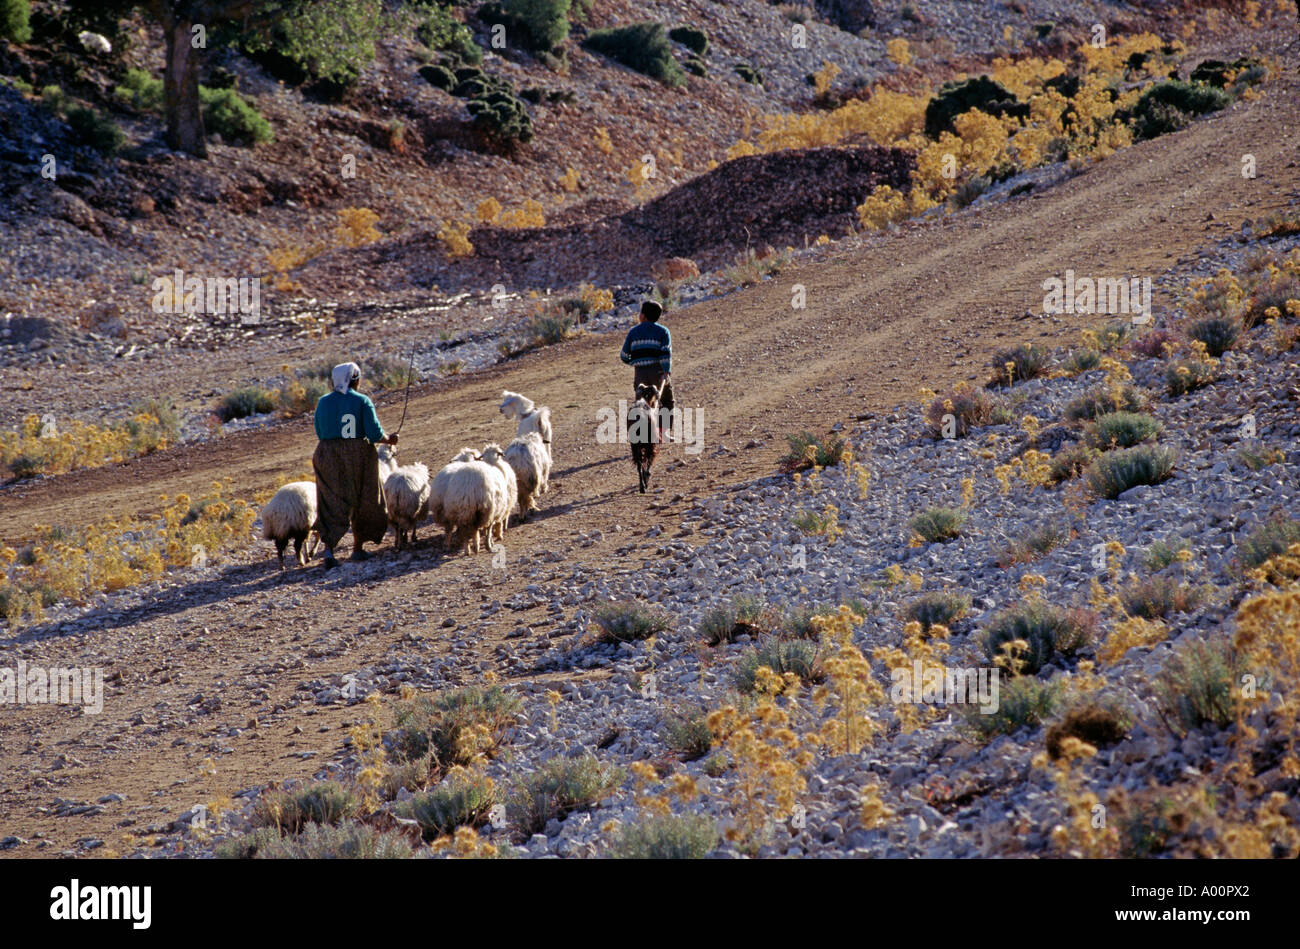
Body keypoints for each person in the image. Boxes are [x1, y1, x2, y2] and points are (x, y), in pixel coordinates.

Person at [312, 362, 396, 570]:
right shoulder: (362, 401)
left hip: (327, 454)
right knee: (364, 498)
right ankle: (357, 548)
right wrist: (389, 439)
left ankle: (329, 551)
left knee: (330, 500)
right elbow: (374, 433)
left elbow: (319, 430)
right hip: (358, 454)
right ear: (353, 379)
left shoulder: (323, 402)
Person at [619, 300, 674, 438]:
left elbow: (624, 355)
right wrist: (666, 372)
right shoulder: (663, 331)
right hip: (657, 371)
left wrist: (636, 361)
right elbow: (665, 354)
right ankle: (662, 433)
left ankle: (644, 435)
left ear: (642, 316)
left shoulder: (633, 332)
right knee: (665, 401)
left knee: (642, 404)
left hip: (640, 374)